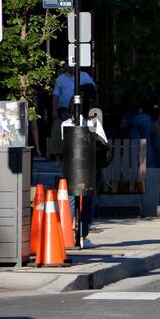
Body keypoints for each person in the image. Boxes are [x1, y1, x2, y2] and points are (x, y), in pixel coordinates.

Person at [60, 85, 109, 249]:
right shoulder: (93, 123)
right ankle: (82, 234)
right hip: (90, 170)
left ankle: (70, 232)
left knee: (72, 201)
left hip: (71, 169)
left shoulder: (65, 124)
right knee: (88, 201)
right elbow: (105, 144)